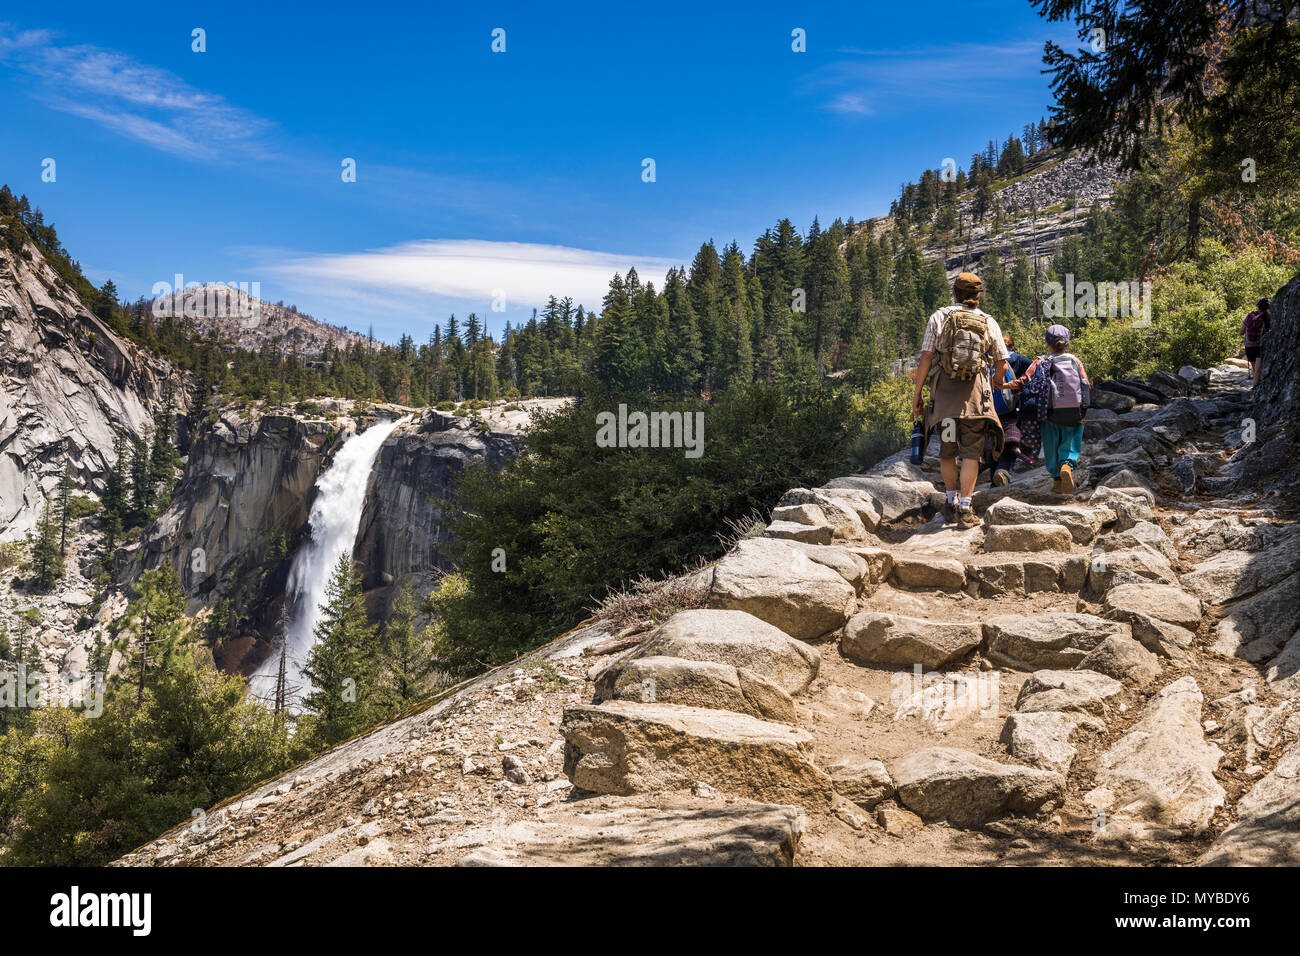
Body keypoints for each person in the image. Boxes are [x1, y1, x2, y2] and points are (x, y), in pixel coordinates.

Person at [912, 272, 1010, 528]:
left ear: (954, 292)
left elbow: (925, 357)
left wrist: (917, 394)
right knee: (971, 454)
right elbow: (1001, 361)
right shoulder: (989, 321)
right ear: (977, 296)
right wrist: (998, 382)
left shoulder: (939, 317)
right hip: (976, 401)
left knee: (947, 451)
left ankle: (950, 500)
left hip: (944, 401)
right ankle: (966, 509)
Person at [1009, 324, 1091, 495]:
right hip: (1074, 410)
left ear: (1047, 343)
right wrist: (1083, 409)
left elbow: (1025, 379)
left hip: (1047, 411)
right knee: (1070, 439)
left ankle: (1056, 479)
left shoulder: (1040, 361)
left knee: (1050, 442)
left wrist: (1008, 386)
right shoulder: (1075, 361)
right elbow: (1085, 384)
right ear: (1067, 342)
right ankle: (1067, 466)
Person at [1243, 298, 1271, 388]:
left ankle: (1255, 385)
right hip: (1260, 345)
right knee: (1258, 368)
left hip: (1249, 345)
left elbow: (1241, 331)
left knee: (1254, 368)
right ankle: (1255, 386)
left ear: (1257, 306)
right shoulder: (1268, 317)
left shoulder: (1250, 316)